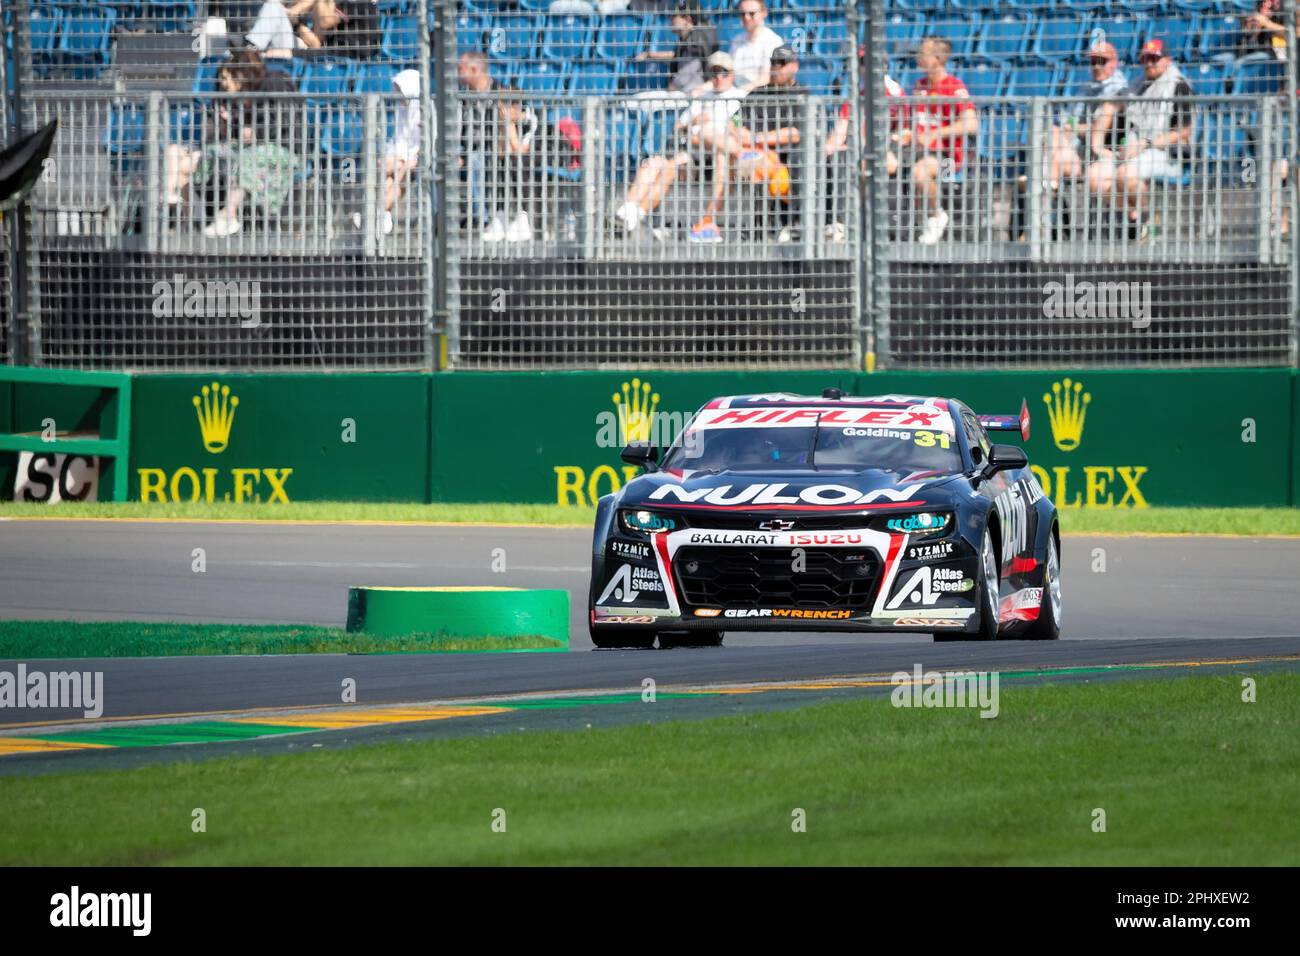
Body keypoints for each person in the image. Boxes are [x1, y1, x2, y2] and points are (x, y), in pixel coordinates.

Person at [614, 52, 745, 241]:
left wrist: (700, 133)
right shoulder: (703, 97)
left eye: (723, 73)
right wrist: (694, 123)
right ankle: (628, 212)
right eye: (713, 73)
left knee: (680, 159)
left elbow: (737, 130)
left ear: (732, 75)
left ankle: (633, 216)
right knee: (653, 163)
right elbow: (678, 129)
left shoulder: (738, 98)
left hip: (712, 157)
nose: (718, 78)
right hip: (689, 152)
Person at [185, 49, 302, 237]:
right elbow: (237, 134)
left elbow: (282, 120)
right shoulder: (241, 96)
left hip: (284, 147)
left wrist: (255, 132)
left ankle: (228, 215)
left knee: (245, 158)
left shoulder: (274, 82)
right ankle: (196, 217)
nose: (226, 82)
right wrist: (230, 120)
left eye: (231, 75)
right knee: (210, 152)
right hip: (253, 146)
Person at [901, 36, 977, 244]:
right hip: (916, 151)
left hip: (948, 159)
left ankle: (936, 216)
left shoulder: (954, 87)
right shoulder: (919, 86)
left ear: (937, 58)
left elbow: (971, 124)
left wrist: (936, 134)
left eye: (923, 53)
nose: (918, 56)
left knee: (920, 172)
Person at [1117, 38, 1193, 239]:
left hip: (1170, 156)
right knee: (1098, 176)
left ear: (1167, 59)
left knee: (1125, 172)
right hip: (1140, 151)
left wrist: (1146, 144)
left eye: (1155, 58)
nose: (1149, 63)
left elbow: (1185, 132)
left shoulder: (1178, 86)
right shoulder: (1138, 86)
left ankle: (1146, 220)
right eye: (1146, 58)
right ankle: (1143, 216)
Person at [736, 45, 806, 241]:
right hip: (760, 157)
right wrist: (745, 136)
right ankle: (759, 231)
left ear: (795, 66)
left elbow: (795, 133)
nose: (777, 67)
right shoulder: (758, 94)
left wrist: (757, 138)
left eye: (782, 63)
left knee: (791, 162)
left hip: (788, 157)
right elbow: (736, 123)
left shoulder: (802, 95)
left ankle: (792, 225)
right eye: (773, 63)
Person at [1049, 41, 1130, 200]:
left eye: (1102, 61)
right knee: (1053, 134)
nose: (1096, 66)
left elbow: (1098, 129)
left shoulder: (1121, 92)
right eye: (1093, 62)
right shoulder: (1086, 88)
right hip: (1081, 150)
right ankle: (1046, 191)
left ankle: (1045, 191)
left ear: (1114, 63)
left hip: (1106, 155)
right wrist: (1072, 127)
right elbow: (1071, 121)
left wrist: (1075, 127)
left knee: (1057, 155)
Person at [634, 3, 718, 97]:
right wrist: (650, 55)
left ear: (687, 19)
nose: (670, 19)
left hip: (692, 94)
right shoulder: (687, 39)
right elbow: (676, 57)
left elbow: (687, 74)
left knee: (639, 100)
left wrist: (672, 87)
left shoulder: (696, 38)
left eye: (674, 16)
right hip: (685, 93)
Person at [293, 0, 381, 60]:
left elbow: (326, 21)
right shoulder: (341, 5)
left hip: (346, 56)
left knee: (289, 55)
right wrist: (297, 26)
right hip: (333, 53)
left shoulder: (361, 3)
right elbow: (318, 41)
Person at [728, 0, 783, 94]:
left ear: (764, 13)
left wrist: (737, 92)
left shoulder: (773, 41)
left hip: (756, 98)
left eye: (752, 13)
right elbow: (728, 73)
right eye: (742, 14)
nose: (746, 17)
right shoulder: (736, 40)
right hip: (733, 93)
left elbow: (765, 80)